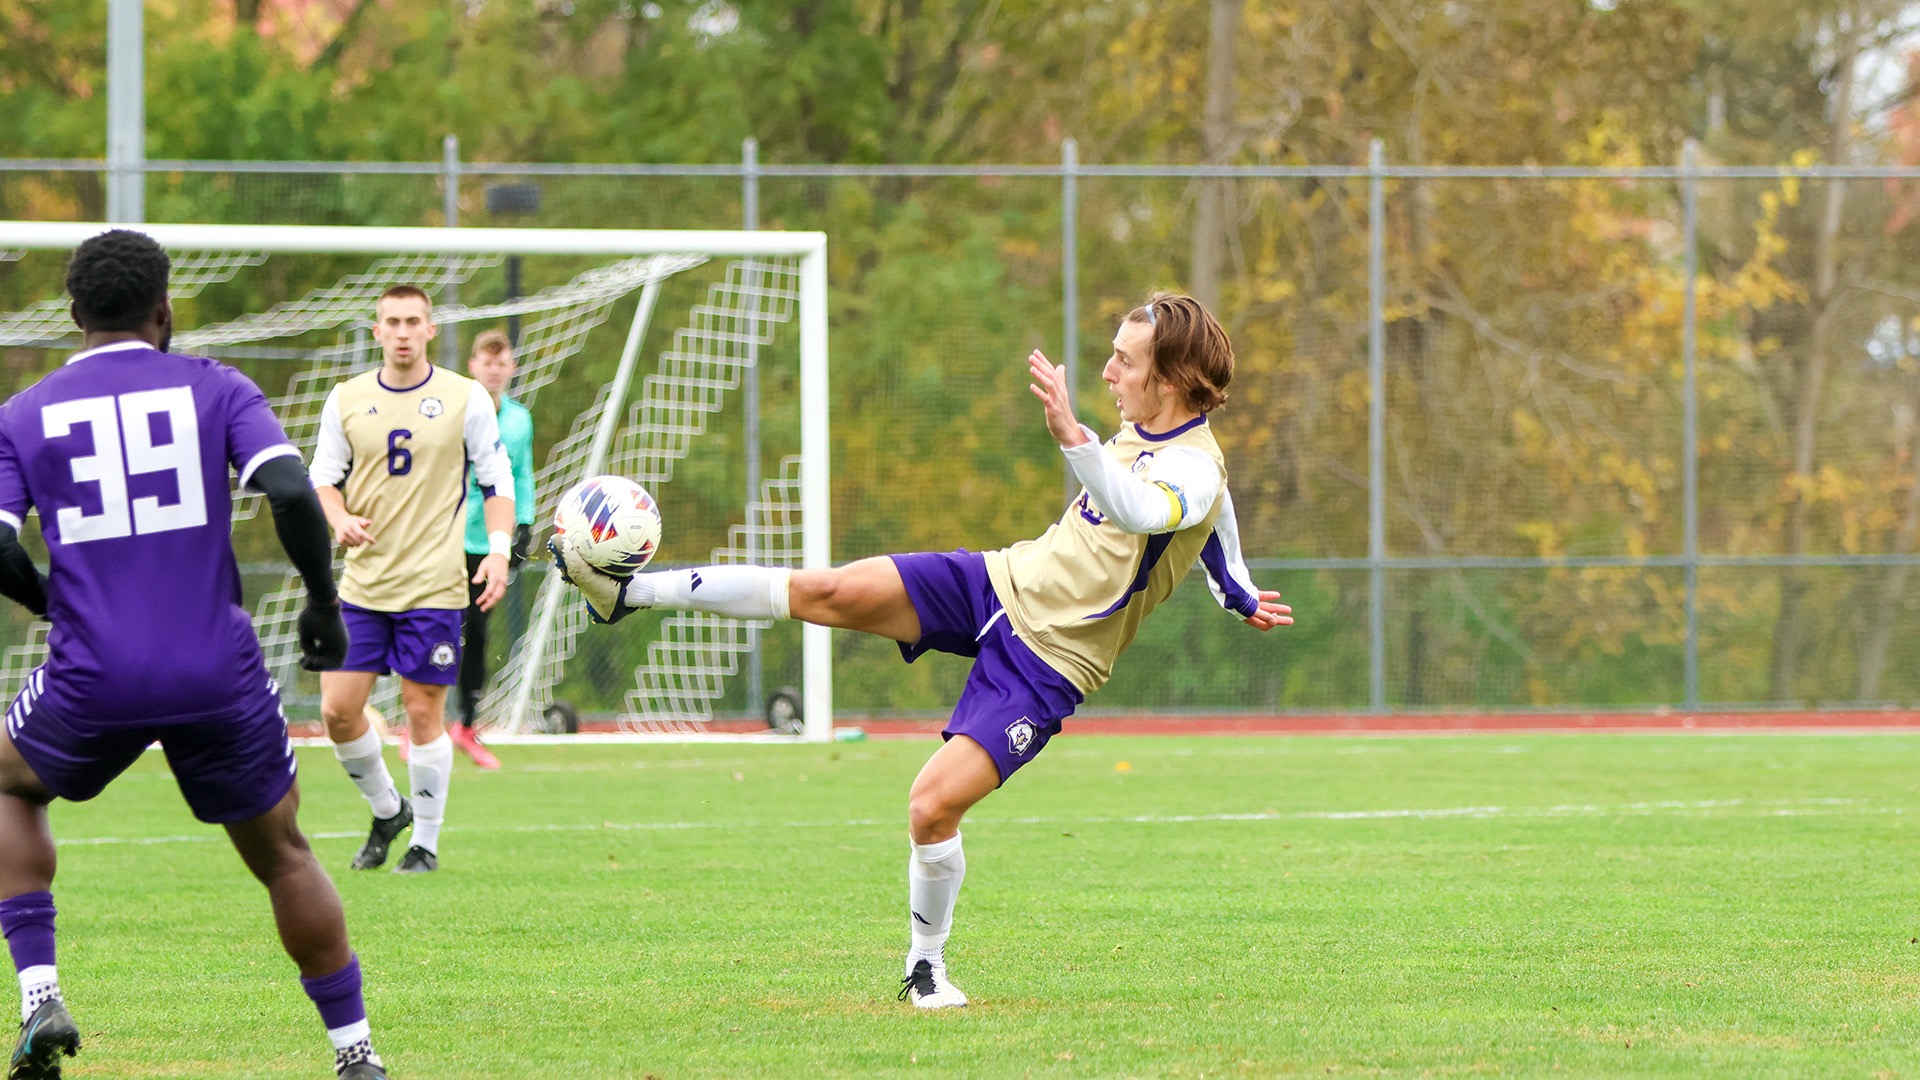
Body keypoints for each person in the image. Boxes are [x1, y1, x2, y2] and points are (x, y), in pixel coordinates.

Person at [549, 292, 1291, 1008]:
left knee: (930, 806)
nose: (1106, 374)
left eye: (1124, 362)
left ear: (1168, 379)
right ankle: (626, 595)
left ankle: (925, 967)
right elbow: (1220, 535)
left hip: (1050, 663)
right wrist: (1239, 593)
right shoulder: (1151, 437)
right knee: (829, 591)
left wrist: (1075, 437)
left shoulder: (1190, 468)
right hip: (996, 581)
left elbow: (1151, 507)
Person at [0, 229, 389, 1077]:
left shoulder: (22, 415)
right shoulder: (216, 387)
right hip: (217, 669)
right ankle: (356, 1057)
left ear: (73, 316)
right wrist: (324, 606)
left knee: (4, 784)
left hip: (91, 674)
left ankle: (39, 996)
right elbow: (289, 489)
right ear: (165, 310)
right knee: (283, 853)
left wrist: (49, 600)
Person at [310, 286, 516, 875]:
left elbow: (496, 481)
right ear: (377, 332)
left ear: (430, 330)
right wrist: (339, 517)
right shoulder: (346, 399)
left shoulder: (465, 396)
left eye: (413, 322)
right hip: (363, 587)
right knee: (338, 711)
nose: (402, 331)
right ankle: (387, 808)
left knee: (422, 711)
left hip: (433, 586)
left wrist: (498, 552)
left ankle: (425, 842)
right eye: (392, 322)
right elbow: (321, 477)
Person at [451, 330, 536, 769]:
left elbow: (521, 476)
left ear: (511, 368)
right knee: (433, 628)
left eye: (502, 362)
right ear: (473, 366)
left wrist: (525, 524)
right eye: (487, 361)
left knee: (477, 635)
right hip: (447, 538)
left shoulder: (520, 419)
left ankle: (466, 725)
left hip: (490, 547)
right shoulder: (455, 411)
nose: (495, 369)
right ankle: (418, 725)